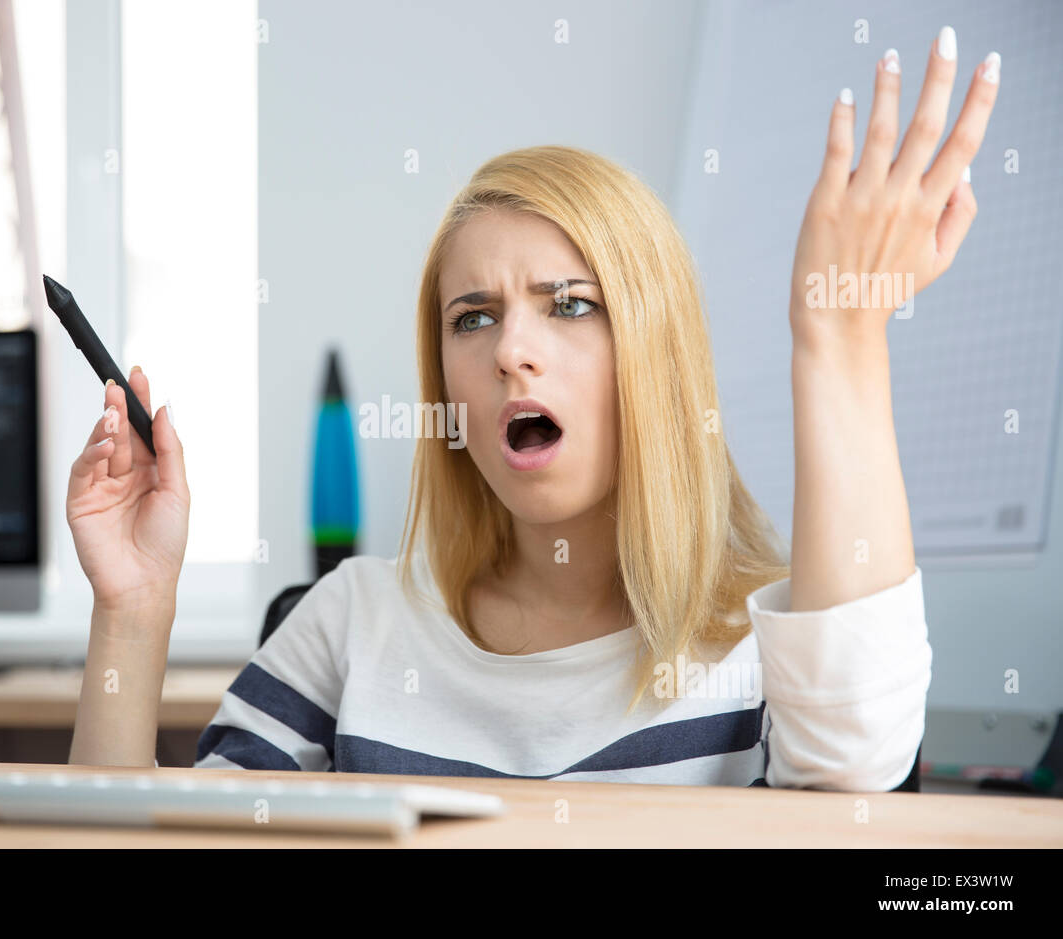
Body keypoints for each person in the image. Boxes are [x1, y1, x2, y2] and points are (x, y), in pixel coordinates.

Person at [68, 28, 999, 789]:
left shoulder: (773, 641)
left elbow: (859, 785)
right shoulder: (349, 620)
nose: (511, 349)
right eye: (472, 318)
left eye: (571, 304)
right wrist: (134, 607)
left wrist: (838, 336)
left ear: (656, 353)